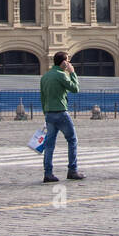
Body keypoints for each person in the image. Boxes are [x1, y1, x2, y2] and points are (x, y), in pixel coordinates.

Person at [40, 51, 84, 182]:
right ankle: (72, 170)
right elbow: (75, 88)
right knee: (72, 140)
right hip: (61, 112)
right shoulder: (61, 75)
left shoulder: (45, 76)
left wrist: (46, 112)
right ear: (63, 62)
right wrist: (72, 73)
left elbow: (42, 97)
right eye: (68, 61)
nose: (69, 63)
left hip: (49, 113)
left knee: (49, 145)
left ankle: (48, 173)